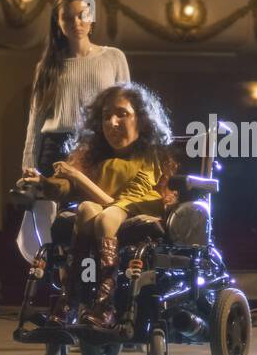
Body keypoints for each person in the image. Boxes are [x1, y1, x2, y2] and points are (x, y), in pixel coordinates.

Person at [20, 83, 175, 332]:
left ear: (141, 119)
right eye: (105, 117)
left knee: (104, 217)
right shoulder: (92, 154)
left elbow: (125, 199)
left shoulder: (151, 155)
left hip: (136, 208)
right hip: (104, 210)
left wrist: (79, 178)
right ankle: (71, 299)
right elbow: (65, 187)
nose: (112, 123)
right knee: (85, 210)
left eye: (121, 114)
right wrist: (42, 182)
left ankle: (106, 304)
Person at [17, 0, 130, 261]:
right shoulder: (47, 66)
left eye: (82, 15)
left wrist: (129, 150)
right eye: (68, 17)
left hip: (97, 145)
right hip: (54, 144)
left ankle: (92, 279)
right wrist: (28, 160)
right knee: (47, 220)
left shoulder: (113, 57)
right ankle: (55, 280)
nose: (76, 22)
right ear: (58, 23)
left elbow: (127, 108)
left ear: (92, 19)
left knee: (93, 213)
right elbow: (36, 118)